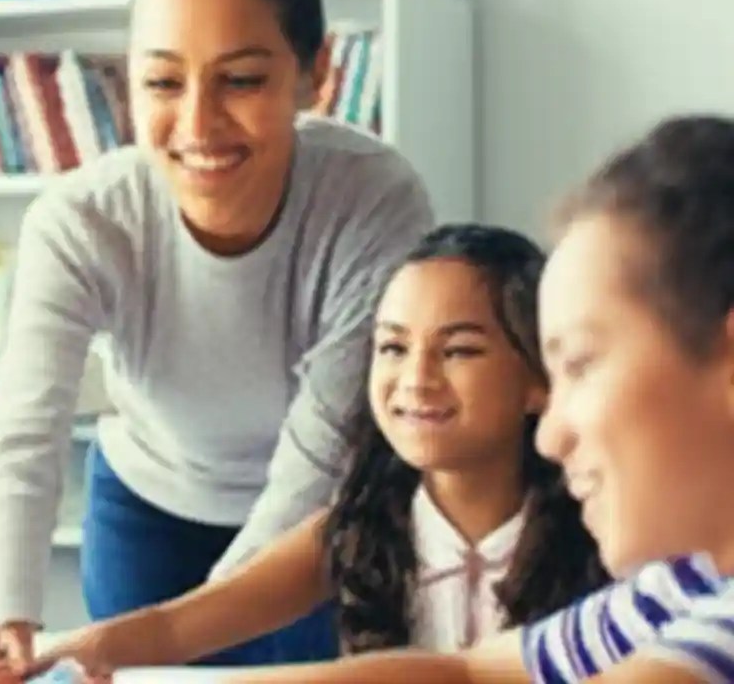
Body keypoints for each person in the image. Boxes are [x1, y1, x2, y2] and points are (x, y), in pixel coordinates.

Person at [0, 0, 434, 676]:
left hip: (310, 526)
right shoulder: (83, 218)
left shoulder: (374, 199)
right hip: (147, 508)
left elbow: (321, 455)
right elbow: (25, 433)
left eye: (242, 80)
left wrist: (197, 624)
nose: (197, 125)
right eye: (162, 82)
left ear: (316, 74)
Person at [0, 224, 610, 684]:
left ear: (537, 380)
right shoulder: (355, 527)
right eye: (393, 347)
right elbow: (177, 624)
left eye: (458, 350)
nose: (415, 379)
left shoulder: (604, 530)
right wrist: (62, 655)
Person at [184, 115, 734, 683]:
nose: (551, 432)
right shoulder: (684, 587)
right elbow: (467, 674)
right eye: (392, 346)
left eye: (581, 364)